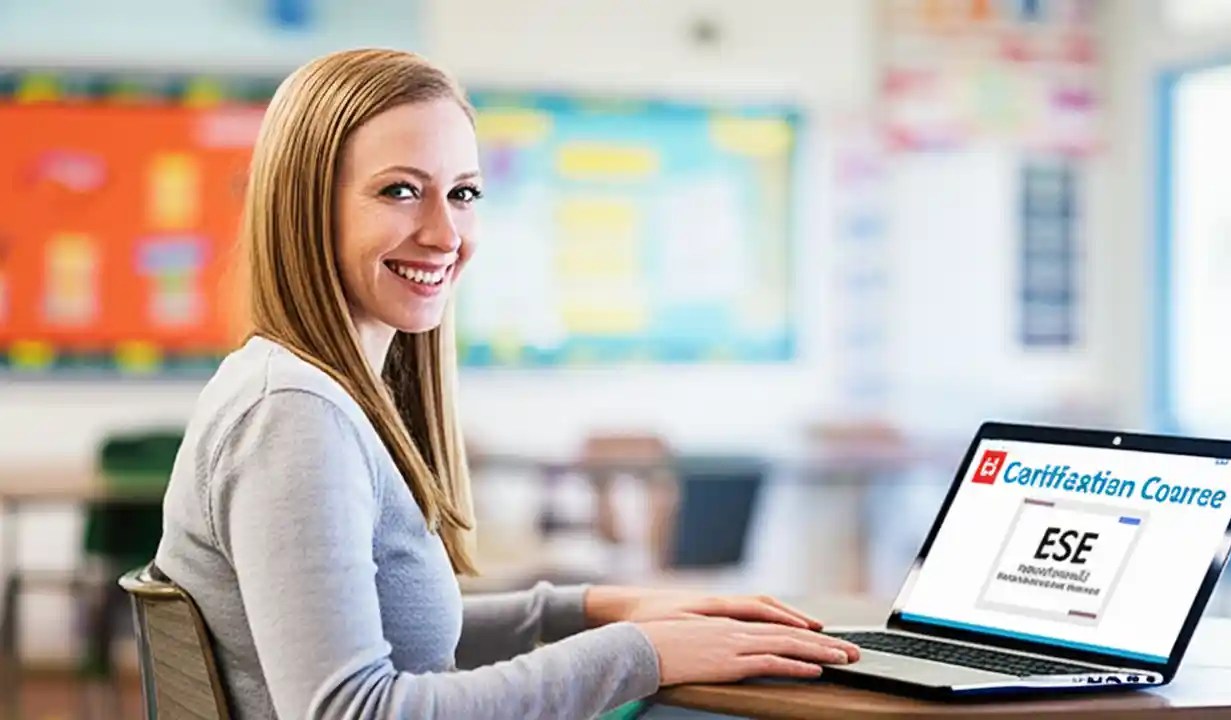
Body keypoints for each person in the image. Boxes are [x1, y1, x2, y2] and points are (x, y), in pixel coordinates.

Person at [154, 48, 859, 720]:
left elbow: (407, 633)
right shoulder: (292, 414)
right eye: (400, 191)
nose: (445, 233)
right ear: (306, 205)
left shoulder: (301, 390)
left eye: (463, 193)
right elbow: (353, 709)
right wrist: (639, 653)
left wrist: (596, 609)